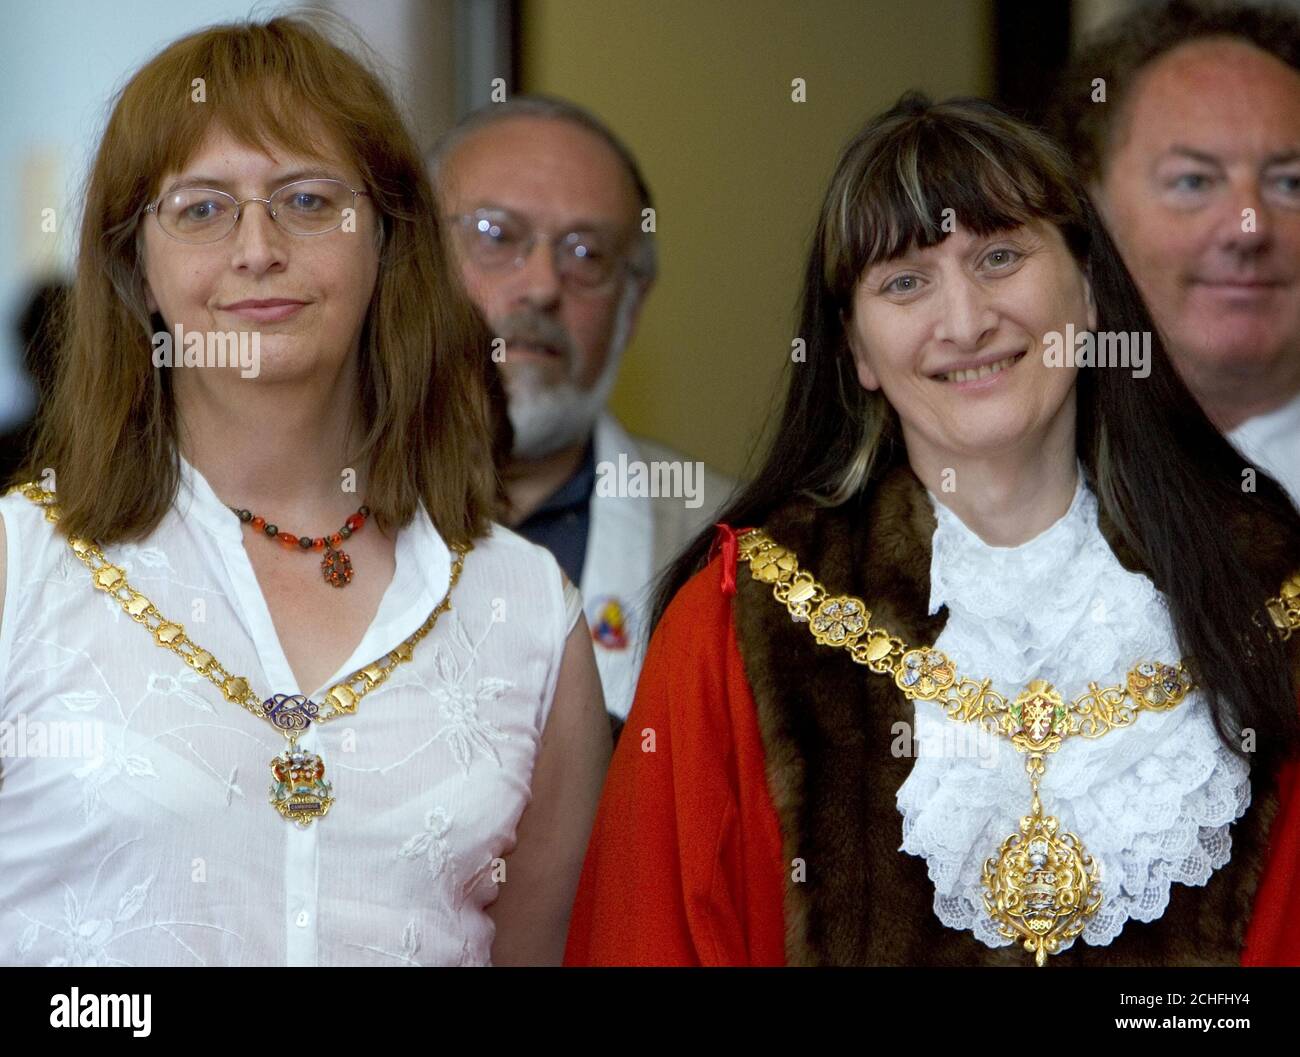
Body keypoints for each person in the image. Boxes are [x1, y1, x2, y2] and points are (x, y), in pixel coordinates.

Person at [564, 93, 1300, 967]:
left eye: (999, 255)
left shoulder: (1271, 600)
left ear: (1091, 290)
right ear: (859, 352)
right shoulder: (738, 619)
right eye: (905, 280)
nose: (964, 320)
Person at [0, 15, 610, 967]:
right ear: (136, 270)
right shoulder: (18, 569)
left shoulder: (526, 612)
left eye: (308, 200)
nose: (257, 248)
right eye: (201, 208)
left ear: (387, 246)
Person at [429, 97, 734, 730]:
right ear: (410, 262)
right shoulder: (304, 509)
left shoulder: (729, 542)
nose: (541, 285)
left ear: (632, 304)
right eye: (494, 235)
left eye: (586, 253)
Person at [1052, 0, 1300, 504]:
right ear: (1090, 207)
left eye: (1290, 183)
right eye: (1193, 181)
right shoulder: (1018, 463)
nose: (1247, 229)